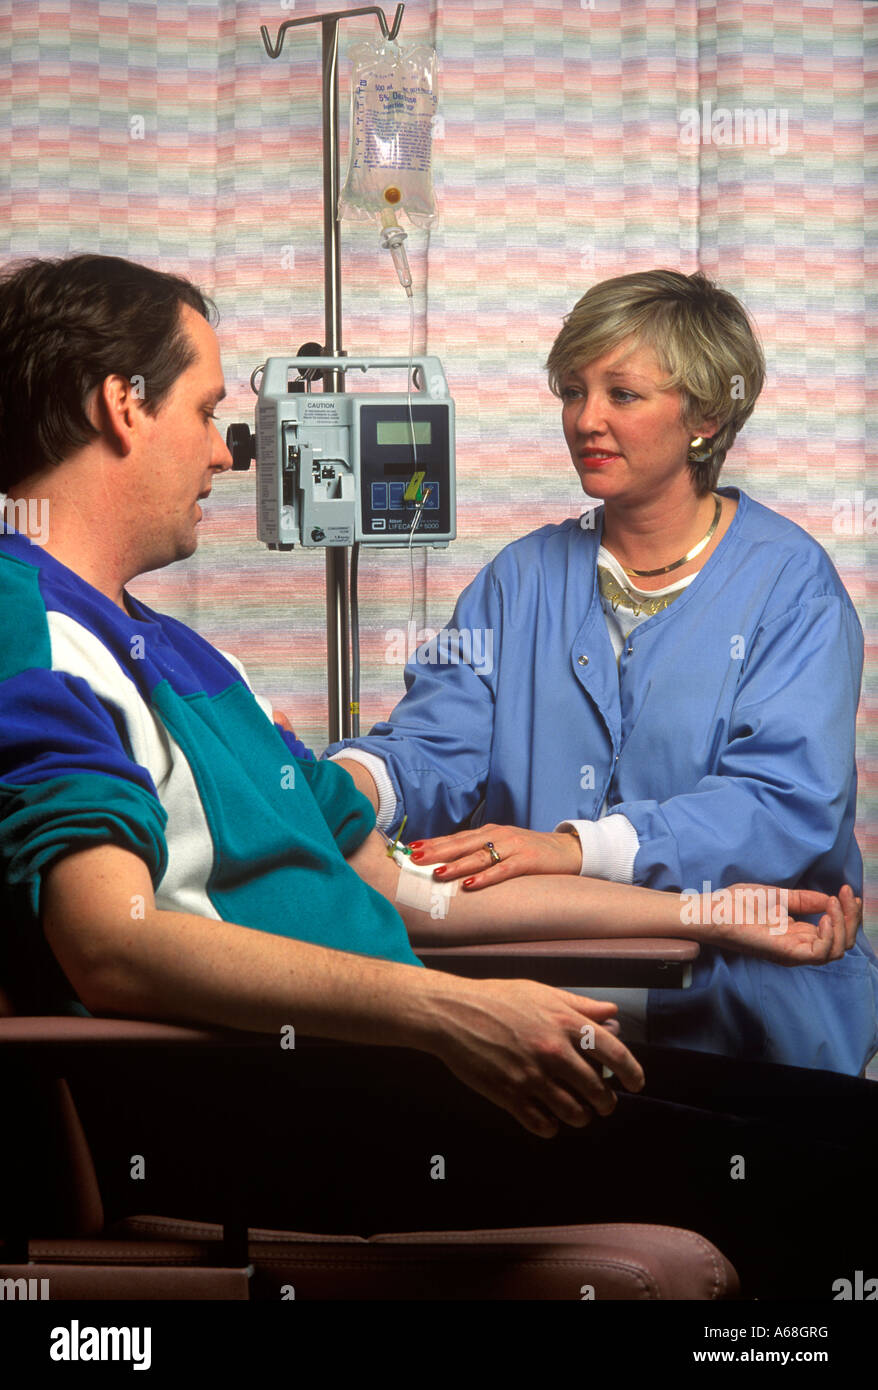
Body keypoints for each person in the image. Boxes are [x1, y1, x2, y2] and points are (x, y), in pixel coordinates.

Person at [329, 268, 878, 1075]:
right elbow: (433, 745)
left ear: (708, 415)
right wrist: (344, 789)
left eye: (622, 394)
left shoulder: (791, 589)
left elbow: (781, 808)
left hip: (734, 1001)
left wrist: (578, 849)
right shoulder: (520, 580)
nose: (586, 420)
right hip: (533, 987)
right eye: (573, 391)